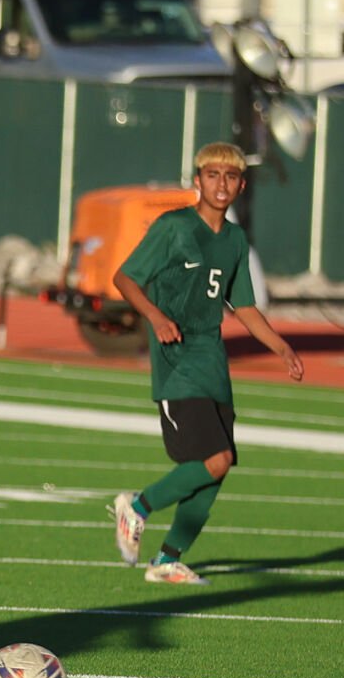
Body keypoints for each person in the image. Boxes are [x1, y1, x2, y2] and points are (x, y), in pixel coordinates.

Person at [110, 141, 304, 584]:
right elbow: (125, 277)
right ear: (197, 181)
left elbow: (245, 307)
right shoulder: (174, 227)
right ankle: (137, 507)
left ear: (241, 185)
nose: (222, 183)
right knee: (215, 458)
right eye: (213, 175)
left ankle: (165, 561)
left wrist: (282, 347)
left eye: (231, 176)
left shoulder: (235, 240)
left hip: (212, 361)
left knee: (220, 464)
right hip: (177, 362)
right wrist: (156, 317)